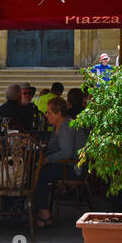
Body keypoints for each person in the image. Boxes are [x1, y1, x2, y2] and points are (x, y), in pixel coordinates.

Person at [33, 98, 90, 229]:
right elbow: (54, 148)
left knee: (39, 175)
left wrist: (46, 160)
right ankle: (40, 209)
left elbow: (66, 153)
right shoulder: (58, 125)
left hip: (73, 168)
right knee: (36, 171)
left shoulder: (67, 126)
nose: (46, 115)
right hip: (65, 165)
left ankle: (44, 213)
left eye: (49, 113)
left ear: (58, 113)